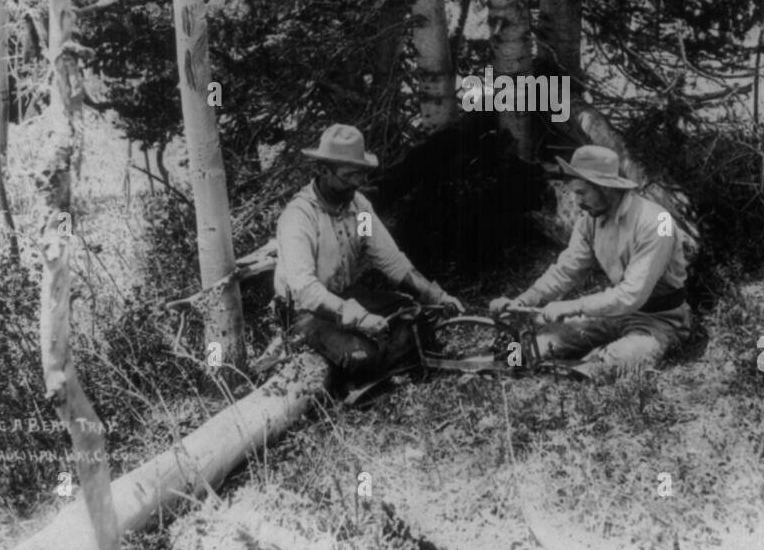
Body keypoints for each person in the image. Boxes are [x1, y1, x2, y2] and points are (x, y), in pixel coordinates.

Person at [263, 124, 464, 383]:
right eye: (348, 176)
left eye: (360, 176)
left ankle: (381, 364)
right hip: (307, 312)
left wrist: (436, 295)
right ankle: (374, 364)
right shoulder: (300, 218)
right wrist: (358, 317)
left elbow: (390, 260)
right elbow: (305, 289)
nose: (356, 184)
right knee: (361, 357)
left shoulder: (359, 208)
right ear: (324, 170)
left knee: (416, 313)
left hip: (348, 296)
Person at [489, 145, 691, 380]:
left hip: (660, 319)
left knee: (612, 362)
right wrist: (522, 302)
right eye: (575, 193)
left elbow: (631, 295)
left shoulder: (657, 221)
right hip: (613, 314)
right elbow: (565, 271)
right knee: (537, 346)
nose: (576, 201)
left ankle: (589, 364)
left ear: (605, 187)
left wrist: (572, 307)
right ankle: (508, 364)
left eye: (582, 193)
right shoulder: (590, 220)